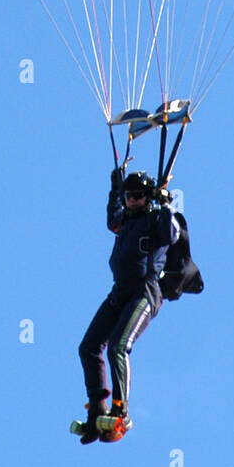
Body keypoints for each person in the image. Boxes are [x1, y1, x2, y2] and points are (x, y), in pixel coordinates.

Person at [72, 169, 180, 444]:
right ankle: (98, 406)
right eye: (129, 196)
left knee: (119, 346)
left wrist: (166, 204)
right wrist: (115, 185)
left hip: (145, 292)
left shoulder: (156, 219)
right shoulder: (124, 221)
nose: (132, 201)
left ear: (147, 197)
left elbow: (170, 235)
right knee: (89, 346)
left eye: (138, 196)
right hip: (120, 292)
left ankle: (121, 410)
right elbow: (112, 218)